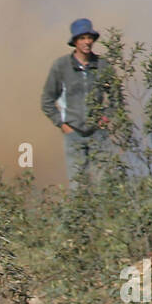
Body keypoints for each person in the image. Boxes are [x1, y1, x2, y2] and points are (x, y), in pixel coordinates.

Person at [41, 18, 114, 183]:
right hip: (73, 134)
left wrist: (106, 117)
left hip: (98, 134)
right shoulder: (61, 66)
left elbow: (117, 98)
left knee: (105, 185)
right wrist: (63, 124)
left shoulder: (103, 66)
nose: (87, 42)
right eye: (82, 38)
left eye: (89, 37)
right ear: (74, 41)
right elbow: (46, 100)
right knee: (78, 187)